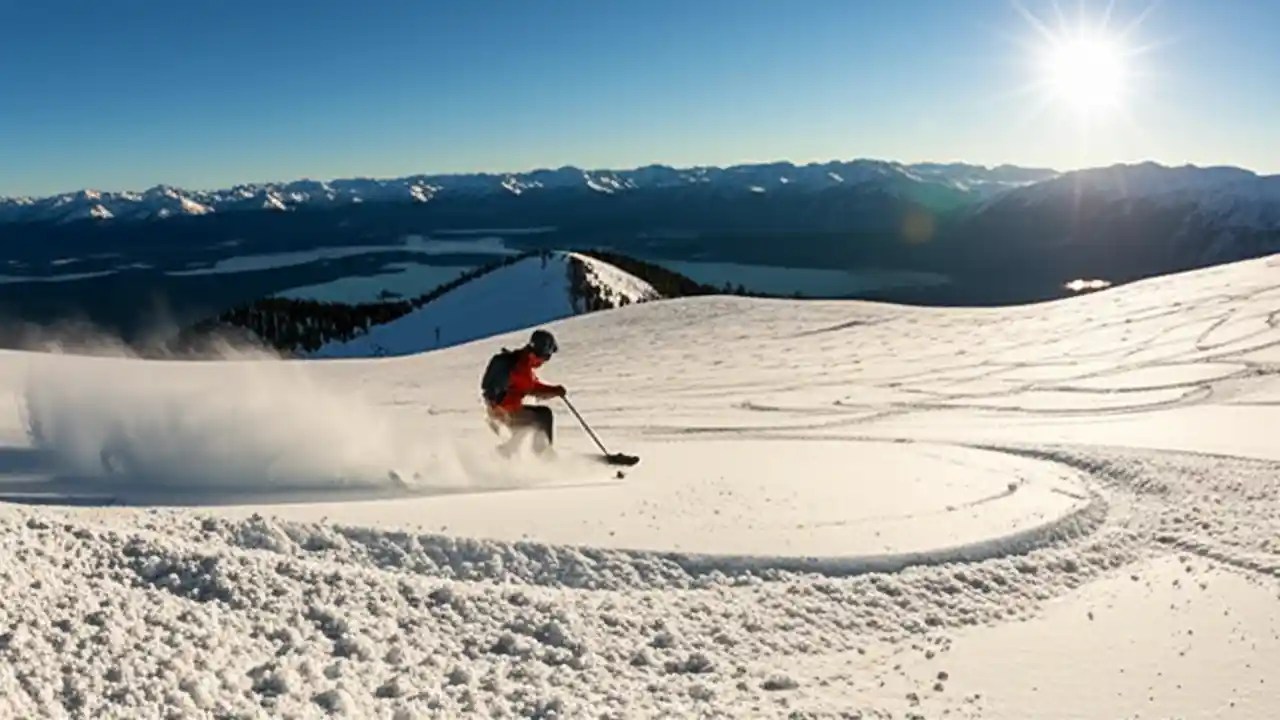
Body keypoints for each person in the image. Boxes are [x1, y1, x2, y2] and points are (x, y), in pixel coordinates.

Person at [483, 329, 566, 456]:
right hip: (504, 412)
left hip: (503, 409)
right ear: (541, 354)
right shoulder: (521, 366)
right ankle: (543, 455)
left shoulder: (519, 359)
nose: (544, 362)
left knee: (531, 421)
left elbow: (526, 386)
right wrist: (554, 391)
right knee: (542, 417)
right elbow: (531, 388)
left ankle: (506, 451)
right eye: (546, 357)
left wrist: (554, 390)